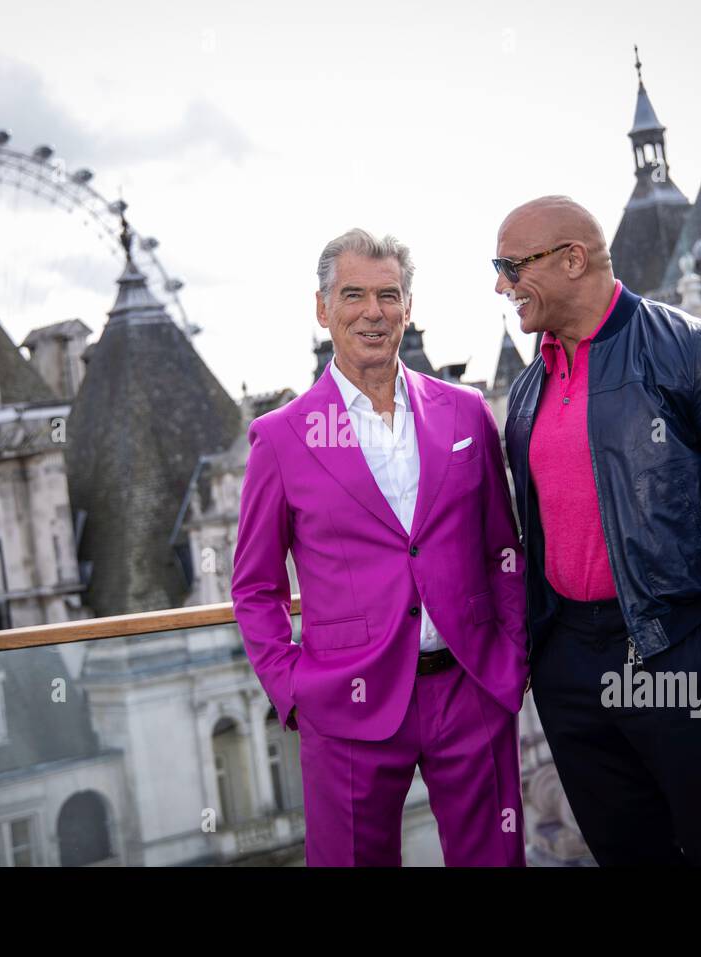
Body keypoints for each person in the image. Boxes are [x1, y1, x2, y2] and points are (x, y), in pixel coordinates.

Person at [496, 195, 701, 866]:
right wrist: (542, 656)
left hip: (679, 645)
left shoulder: (692, 347)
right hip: (571, 668)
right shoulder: (527, 390)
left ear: (571, 260)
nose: (501, 285)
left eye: (510, 266)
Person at [232, 228, 529, 866]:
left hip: (470, 686)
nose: (374, 311)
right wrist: (294, 689)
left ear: (409, 306)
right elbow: (255, 588)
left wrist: (512, 653)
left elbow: (504, 548)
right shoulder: (281, 439)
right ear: (323, 309)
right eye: (354, 295)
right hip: (345, 704)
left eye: (389, 295)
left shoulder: (466, 411)